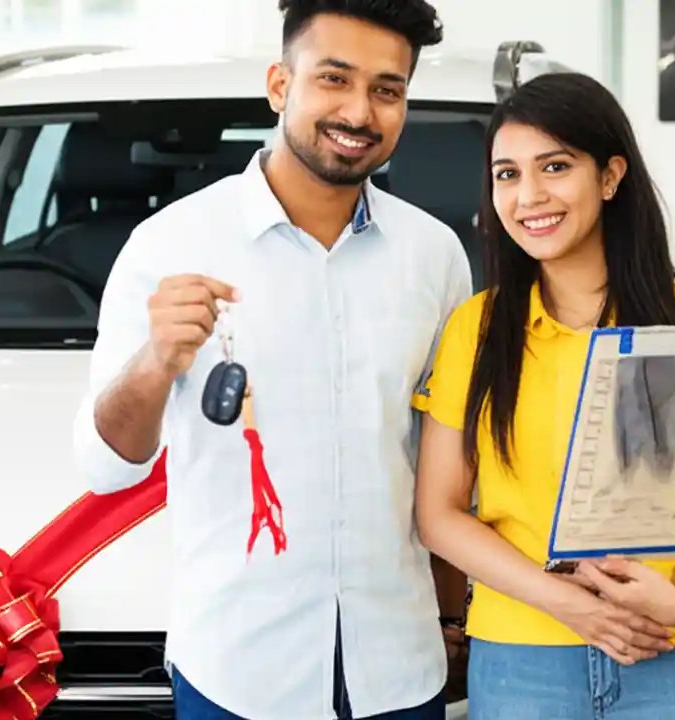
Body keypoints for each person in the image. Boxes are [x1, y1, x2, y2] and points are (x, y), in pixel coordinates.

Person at [74, 1, 472, 718]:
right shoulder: (171, 243)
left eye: (387, 89)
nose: (359, 110)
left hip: (400, 668)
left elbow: (439, 457)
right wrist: (156, 360)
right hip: (239, 672)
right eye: (334, 79)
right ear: (280, 85)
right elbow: (108, 466)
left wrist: (451, 619)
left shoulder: (434, 256)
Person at [413, 71, 675, 719]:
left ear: (609, 176)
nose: (529, 196)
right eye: (507, 174)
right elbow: (439, 513)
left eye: (554, 166)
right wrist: (569, 605)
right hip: (525, 661)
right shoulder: (477, 331)